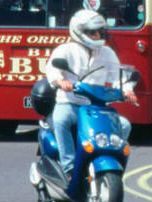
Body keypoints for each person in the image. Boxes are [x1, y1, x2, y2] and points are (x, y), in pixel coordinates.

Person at [44, 9, 138, 180]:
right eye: (91, 32)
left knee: (124, 126)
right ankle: (69, 166)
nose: (96, 35)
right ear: (79, 32)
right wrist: (60, 81)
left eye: (99, 32)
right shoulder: (65, 50)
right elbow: (52, 69)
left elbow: (119, 76)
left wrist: (127, 89)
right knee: (60, 120)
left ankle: (112, 162)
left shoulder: (107, 52)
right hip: (70, 103)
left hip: (97, 107)